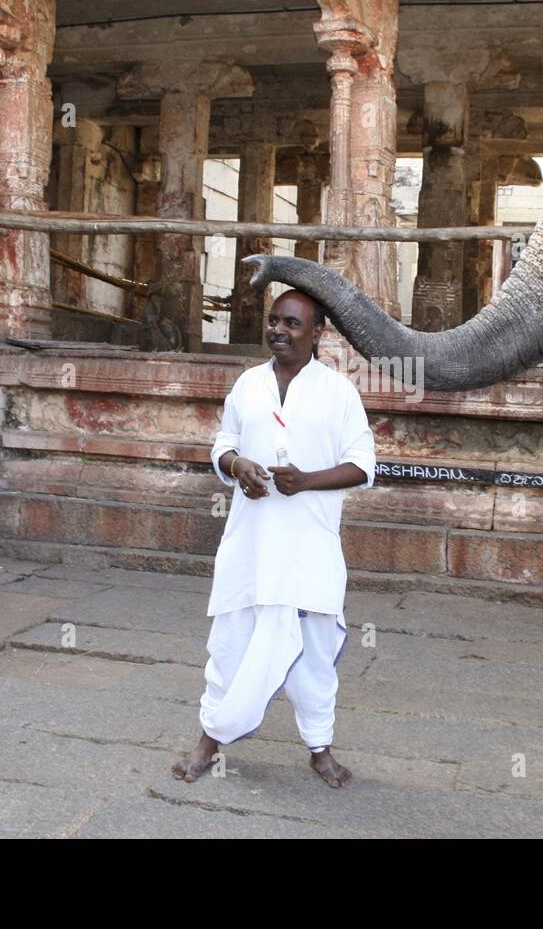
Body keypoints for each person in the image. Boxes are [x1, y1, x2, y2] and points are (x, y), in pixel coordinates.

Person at [172, 289, 376, 788]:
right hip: (252, 546)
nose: (278, 331)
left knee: (313, 656)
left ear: (317, 332)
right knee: (231, 646)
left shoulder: (338, 392)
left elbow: (363, 466)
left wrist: (305, 480)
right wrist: (237, 465)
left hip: (309, 549)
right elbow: (223, 444)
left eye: (291, 323)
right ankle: (207, 743)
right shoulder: (248, 385)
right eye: (273, 321)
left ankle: (320, 749)